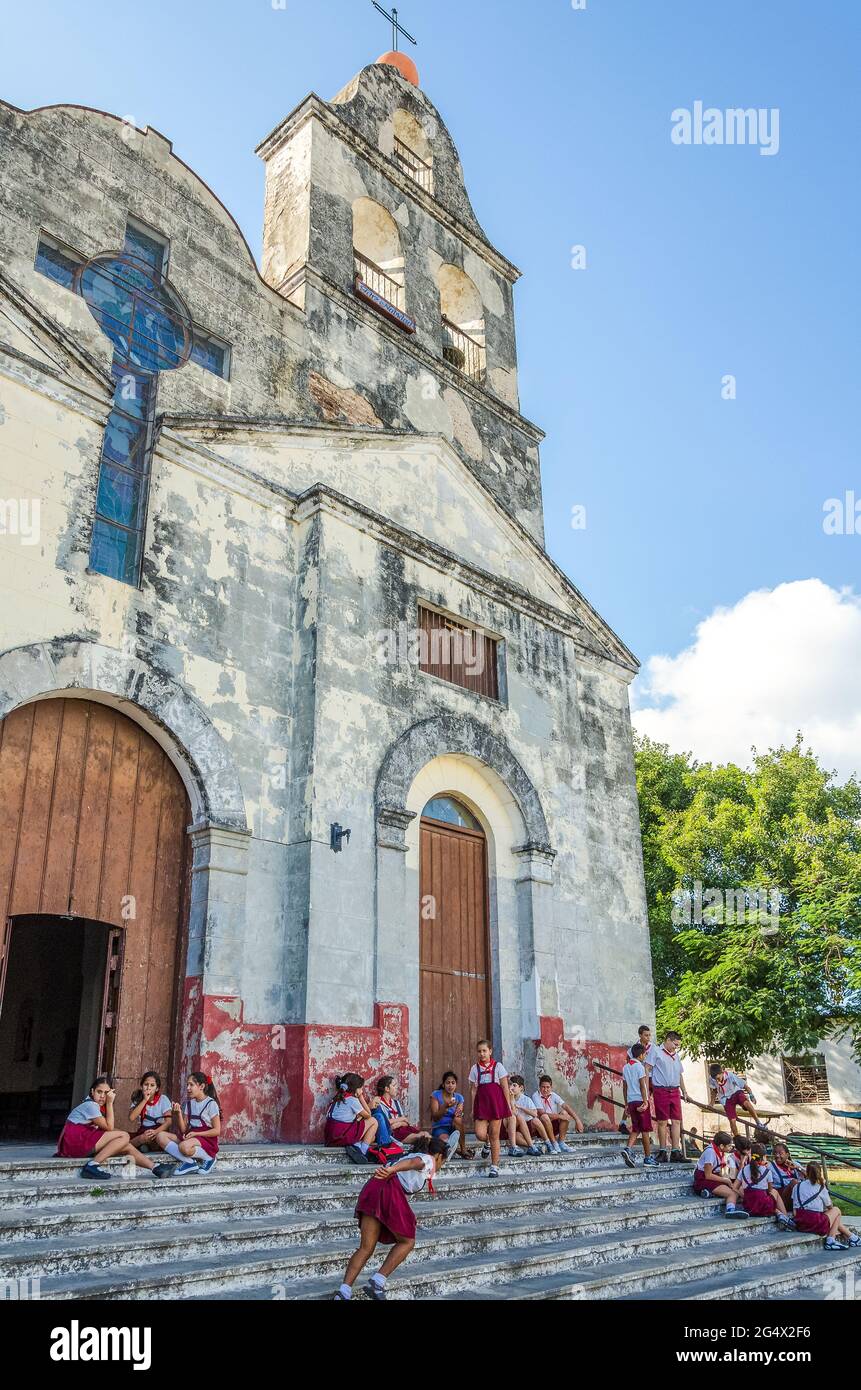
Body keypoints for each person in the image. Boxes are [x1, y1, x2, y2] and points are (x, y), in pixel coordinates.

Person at [334, 1135, 455, 1300]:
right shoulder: (428, 1159)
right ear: (439, 1156)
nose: (441, 1165)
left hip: (373, 1188)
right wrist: (392, 1170)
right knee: (408, 1241)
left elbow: (409, 1167)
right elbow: (415, 1164)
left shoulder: (408, 1155)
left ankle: (343, 1291)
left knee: (366, 1247)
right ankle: (378, 1280)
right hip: (388, 1190)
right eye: (443, 1161)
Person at [55, 1076, 168, 1179]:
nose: (102, 1096)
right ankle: (92, 1165)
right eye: (99, 1092)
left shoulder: (96, 1106)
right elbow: (109, 1127)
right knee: (124, 1136)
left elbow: (107, 1129)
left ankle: (155, 1167)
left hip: (78, 1142)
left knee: (125, 1144)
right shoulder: (90, 1105)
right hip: (74, 1143)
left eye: (106, 1093)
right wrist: (109, 1103)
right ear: (92, 1091)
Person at [155, 1072, 221, 1174]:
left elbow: (217, 1131)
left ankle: (209, 1158)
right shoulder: (189, 1104)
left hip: (206, 1139)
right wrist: (178, 1114)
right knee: (160, 1136)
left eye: (191, 1085)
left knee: (183, 1146)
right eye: (187, 1085)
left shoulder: (211, 1104)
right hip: (190, 1136)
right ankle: (189, 1162)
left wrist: (197, 1134)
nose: (188, 1088)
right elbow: (184, 1130)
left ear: (201, 1086)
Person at [792, 1161, 861, 1250]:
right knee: (836, 1211)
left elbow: (794, 1211)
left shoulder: (796, 1186)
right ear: (819, 1173)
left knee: (828, 1214)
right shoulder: (820, 1188)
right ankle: (831, 1240)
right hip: (815, 1224)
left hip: (800, 1223)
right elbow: (830, 1207)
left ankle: (853, 1237)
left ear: (807, 1172)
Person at [469, 1039, 513, 1178]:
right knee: (480, 1134)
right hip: (482, 1104)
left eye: (484, 1051)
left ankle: (494, 1166)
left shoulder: (498, 1066)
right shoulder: (475, 1068)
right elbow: (473, 1090)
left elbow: (505, 1087)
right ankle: (486, 1142)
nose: (482, 1054)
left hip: (496, 1103)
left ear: (490, 1051)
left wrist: (507, 1106)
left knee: (495, 1134)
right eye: (479, 1051)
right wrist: (472, 1108)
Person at [650, 1032, 690, 1162]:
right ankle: (662, 1150)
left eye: (677, 1045)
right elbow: (647, 1068)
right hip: (661, 1089)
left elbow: (680, 1074)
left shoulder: (676, 1055)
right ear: (668, 1040)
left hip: (675, 1090)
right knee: (662, 1121)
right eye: (675, 1044)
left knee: (677, 1120)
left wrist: (684, 1091)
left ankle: (675, 1151)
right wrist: (646, 1088)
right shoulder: (656, 1051)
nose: (675, 1047)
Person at [323, 1073, 379, 1164]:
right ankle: (363, 1152)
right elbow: (368, 1114)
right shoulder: (352, 1100)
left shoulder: (337, 1098)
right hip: (341, 1136)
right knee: (374, 1121)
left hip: (330, 1138)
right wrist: (361, 1097)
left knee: (372, 1137)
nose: (362, 1090)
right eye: (361, 1088)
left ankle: (356, 1145)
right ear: (355, 1089)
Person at [692, 1131, 747, 1217]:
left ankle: (711, 1193)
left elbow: (718, 1171)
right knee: (732, 1193)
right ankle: (730, 1210)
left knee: (737, 1189)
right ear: (721, 1146)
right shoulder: (710, 1152)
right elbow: (708, 1175)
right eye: (729, 1146)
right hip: (703, 1179)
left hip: (714, 1177)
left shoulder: (719, 1151)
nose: (731, 1148)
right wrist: (725, 1180)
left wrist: (727, 1181)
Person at [737, 1145, 794, 1227]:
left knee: (746, 1190)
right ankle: (785, 1217)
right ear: (763, 1157)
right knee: (774, 1191)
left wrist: (744, 1196)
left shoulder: (743, 1170)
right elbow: (770, 1190)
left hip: (749, 1206)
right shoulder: (767, 1171)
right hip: (763, 1206)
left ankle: (780, 1214)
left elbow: (735, 1187)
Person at [621, 1044, 655, 1167]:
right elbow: (642, 1085)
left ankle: (628, 1149)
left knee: (636, 1128)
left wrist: (626, 1104)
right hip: (640, 1100)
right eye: (645, 1054)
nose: (645, 1056)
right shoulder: (640, 1067)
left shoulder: (625, 1067)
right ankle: (647, 1158)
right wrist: (646, 1101)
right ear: (640, 1055)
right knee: (645, 1130)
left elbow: (624, 1087)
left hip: (630, 1101)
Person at [373, 1076, 430, 1147]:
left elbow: (406, 1122)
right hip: (393, 1133)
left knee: (425, 1134)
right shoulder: (378, 1103)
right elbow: (385, 1123)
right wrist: (401, 1119)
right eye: (394, 1086)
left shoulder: (396, 1103)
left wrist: (398, 1123)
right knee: (421, 1137)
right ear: (387, 1089)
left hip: (403, 1128)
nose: (397, 1088)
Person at [430, 1072, 474, 1159]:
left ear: (456, 1085)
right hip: (440, 1127)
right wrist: (445, 1107)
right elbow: (435, 1117)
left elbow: (459, 1115)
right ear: (443, 1084)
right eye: (448, 1083)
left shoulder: (459, 1097)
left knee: (457, 1120)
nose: (450, 1085)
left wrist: (459, 1113)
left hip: (454, 1128)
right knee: (446, 1142)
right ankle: (458, 1151)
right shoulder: (436, 1095)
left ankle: (463, 1149)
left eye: (453, 1083)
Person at [709, 1064, 761, 1137]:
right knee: (732, 1121)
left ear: (722, 1073)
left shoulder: (730, 1076)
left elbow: (745, 1086)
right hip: (725, 1098)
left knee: (746, 1103)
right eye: (715, 1079)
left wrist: (752, 1096)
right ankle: (737, 1138)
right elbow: (714, 1091)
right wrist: (711, 1104)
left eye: (718, 1078)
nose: (717, 1081)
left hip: (736, 1093)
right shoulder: (711, 1079)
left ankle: (758, 1122)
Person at [531, 1075, 583, 1147]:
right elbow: (541, 1113)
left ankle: (561, 1142)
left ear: (551, 1087)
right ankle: (554, 1143)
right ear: (539, 1087)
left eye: (548, 1087)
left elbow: (565, 1106)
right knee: (544, 1117)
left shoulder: (553, 1095)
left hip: (553, 1125)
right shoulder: (535, 1096)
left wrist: (577, 1120)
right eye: (543, 1087)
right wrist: (561, 1116)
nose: (545, 1090)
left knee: (564, 1112)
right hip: (542, 1127)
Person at [128, 1071, 172, 1151]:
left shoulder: (163, 1099)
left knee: (146, 1137)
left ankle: (125, 1147)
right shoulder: (138, 1099)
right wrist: (144, 1100)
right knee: (123, 1134)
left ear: (157, 1088)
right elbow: (131, 1118)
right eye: (146, 1085)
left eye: (152, 1085)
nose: (148, 1088)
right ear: (141, 1086)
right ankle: (140, 1146)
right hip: (143, 1130)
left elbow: (168, 1122)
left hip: (158, 1131)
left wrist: (155, 1132)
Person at [507, 1076, 551, 1155]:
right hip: (515, 1127)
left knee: (536, 1120)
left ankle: (548, 1143)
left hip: (527, 1125)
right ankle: (534, 1147)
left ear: (521, 1087)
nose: (511, 1088)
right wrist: (511, 1099)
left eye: (514, 1085)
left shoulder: (526, 1099)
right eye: (510, 1086)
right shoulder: (508, 1098)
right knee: (516, 1136)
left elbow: (535, 1114)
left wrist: (521, 1107)